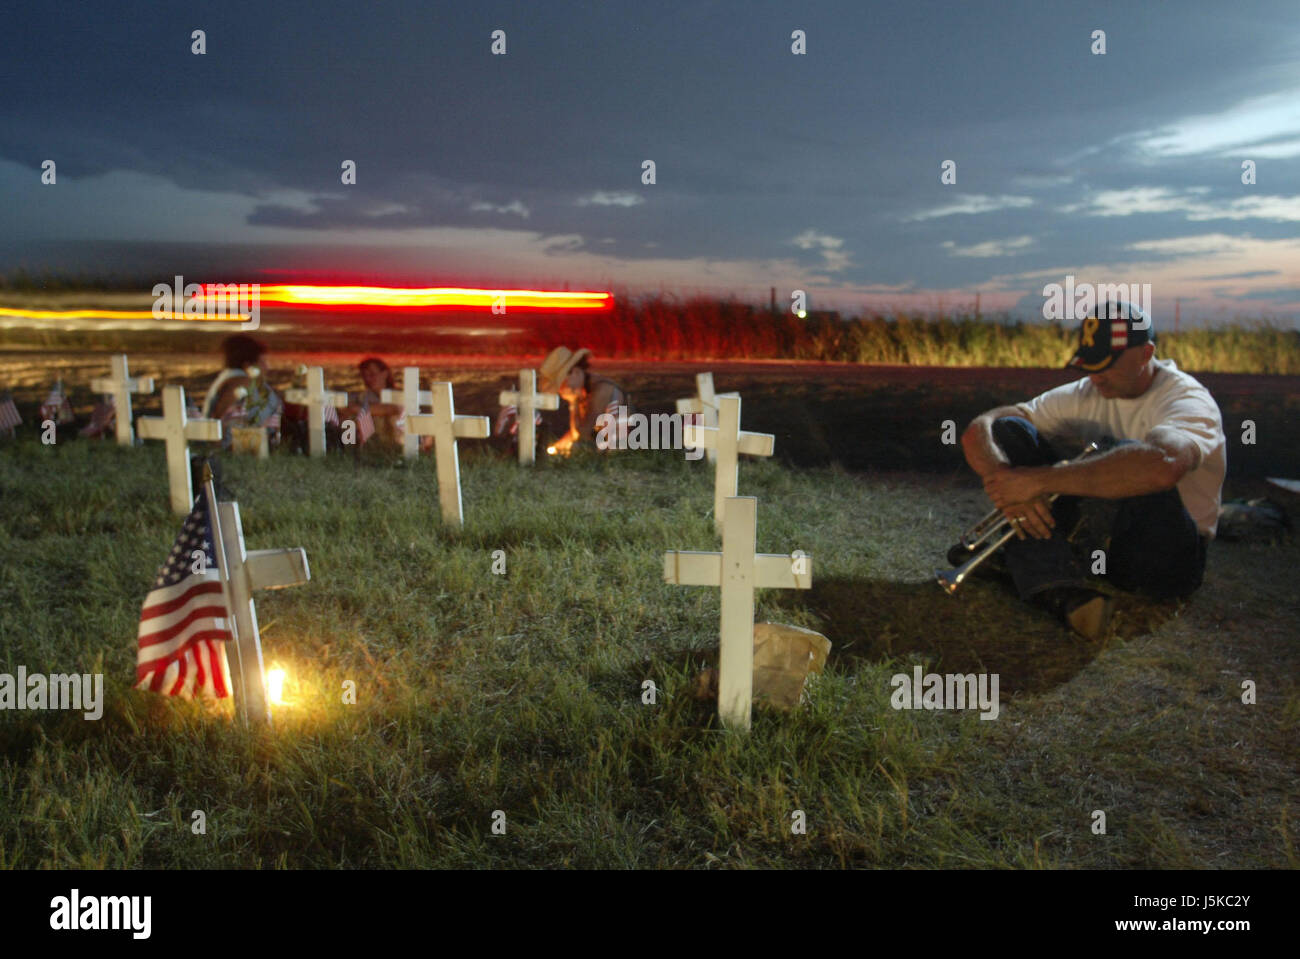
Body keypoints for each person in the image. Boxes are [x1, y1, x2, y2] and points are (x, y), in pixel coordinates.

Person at [959, 301, 1226, 639]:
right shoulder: (1090, 389)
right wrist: (1005, 484)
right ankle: (1055, 585)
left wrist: (1035, 482)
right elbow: (982, 426)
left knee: (1127, 451)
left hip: (1167, 554)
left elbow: (1164, 466)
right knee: (1009, 430)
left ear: (1146, 353)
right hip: (1103, 540)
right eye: (1089, 364)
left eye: (1107, 364)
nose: (1095, 376)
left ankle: (1029, 572)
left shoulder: (1186, 400)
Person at [539, 346, 630, 454]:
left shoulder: (602, 390)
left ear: (576, 372)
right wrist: (557, 447)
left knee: (577, 448)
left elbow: (583, 433)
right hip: (608, 448)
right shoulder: (586, 390)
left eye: (563, 384)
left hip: (620, 453)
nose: (561, 390)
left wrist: (573, 403)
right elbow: (575, 434)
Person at [203, 335, 284, 445]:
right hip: (240, 444)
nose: (267, 367)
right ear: (248, 365)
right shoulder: (239, 383)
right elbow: (220, 419)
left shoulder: (232, 378)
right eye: (262, 362)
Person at [338, 357, 410, 450]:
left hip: (398, 442)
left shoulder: (399, 395)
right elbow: (345, 411)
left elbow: (392, 409)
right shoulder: (361, 397)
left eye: (372, 374)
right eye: (365, 375)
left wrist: (356, 409)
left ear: (385, 374)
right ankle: (350, 451)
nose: (368, 379)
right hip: (371, 443)